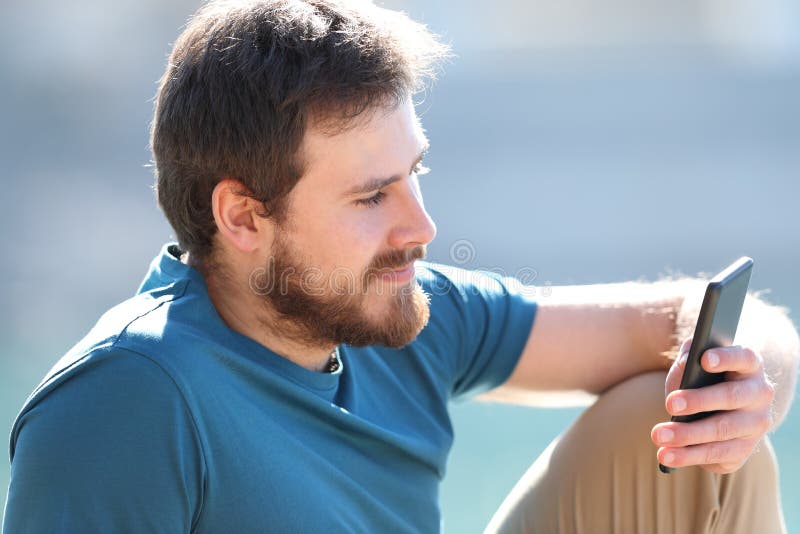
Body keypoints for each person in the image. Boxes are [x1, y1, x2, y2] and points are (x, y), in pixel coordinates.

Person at [3, 1, 798, 532]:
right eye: (371, 196)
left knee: (692, 437)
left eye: (414, 173)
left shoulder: (401, 306)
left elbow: (689, 319)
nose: (421, 227)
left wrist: (754, 374)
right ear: (243, 216)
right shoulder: (125, 403)